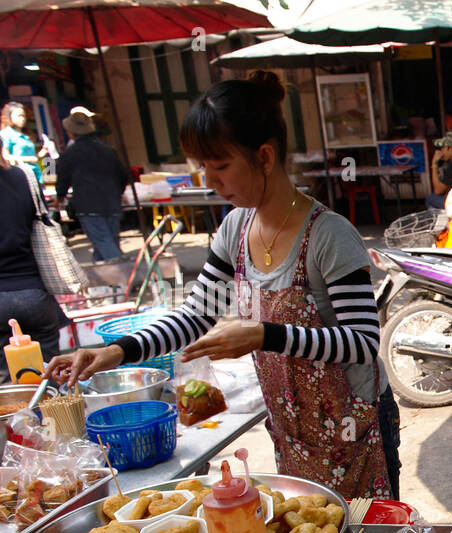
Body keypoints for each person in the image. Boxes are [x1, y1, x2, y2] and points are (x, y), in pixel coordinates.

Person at [46, 72, 401, 499]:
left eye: (220, 166)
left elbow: (362, 341)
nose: (210, 181)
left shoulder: (329, 235)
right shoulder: (235, 228)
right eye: (203, 167)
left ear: (264, 157)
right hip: (295, 426)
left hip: (355, 422)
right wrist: (118, 351)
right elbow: (197, 316)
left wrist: (263, 335)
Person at [0, 152, 67, 379]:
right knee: (49, 377)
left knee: (10, 386)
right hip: (33, 293)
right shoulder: (25, 176)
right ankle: (53, 412)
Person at [54, 109, 129, 263]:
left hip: (89, 205)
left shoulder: (71, 153)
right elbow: (122, 176)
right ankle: (105, 281)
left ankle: (125, 275)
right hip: (112, 202)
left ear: (72, 133)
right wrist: (119, 193)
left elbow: (63, 178)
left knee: (104, 242)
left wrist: (60, 196)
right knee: (107, 242)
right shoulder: (109, 151)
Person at [1, 103, 46, 186]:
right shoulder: (6, 134)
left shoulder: (26, 135)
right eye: (19, 116)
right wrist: (29, 159)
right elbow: (5, 157)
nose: (22, 119)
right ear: (9, 117)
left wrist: (41, 153)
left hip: (34, 174)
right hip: (21, 176)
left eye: (24, 116)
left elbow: (34, 158)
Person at [425, 135, 452, 211]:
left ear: (451, 149)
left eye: (443, 148)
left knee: (431, 198)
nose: (441, 151)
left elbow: (438, 190)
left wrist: (434, 163)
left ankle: (441, 221)